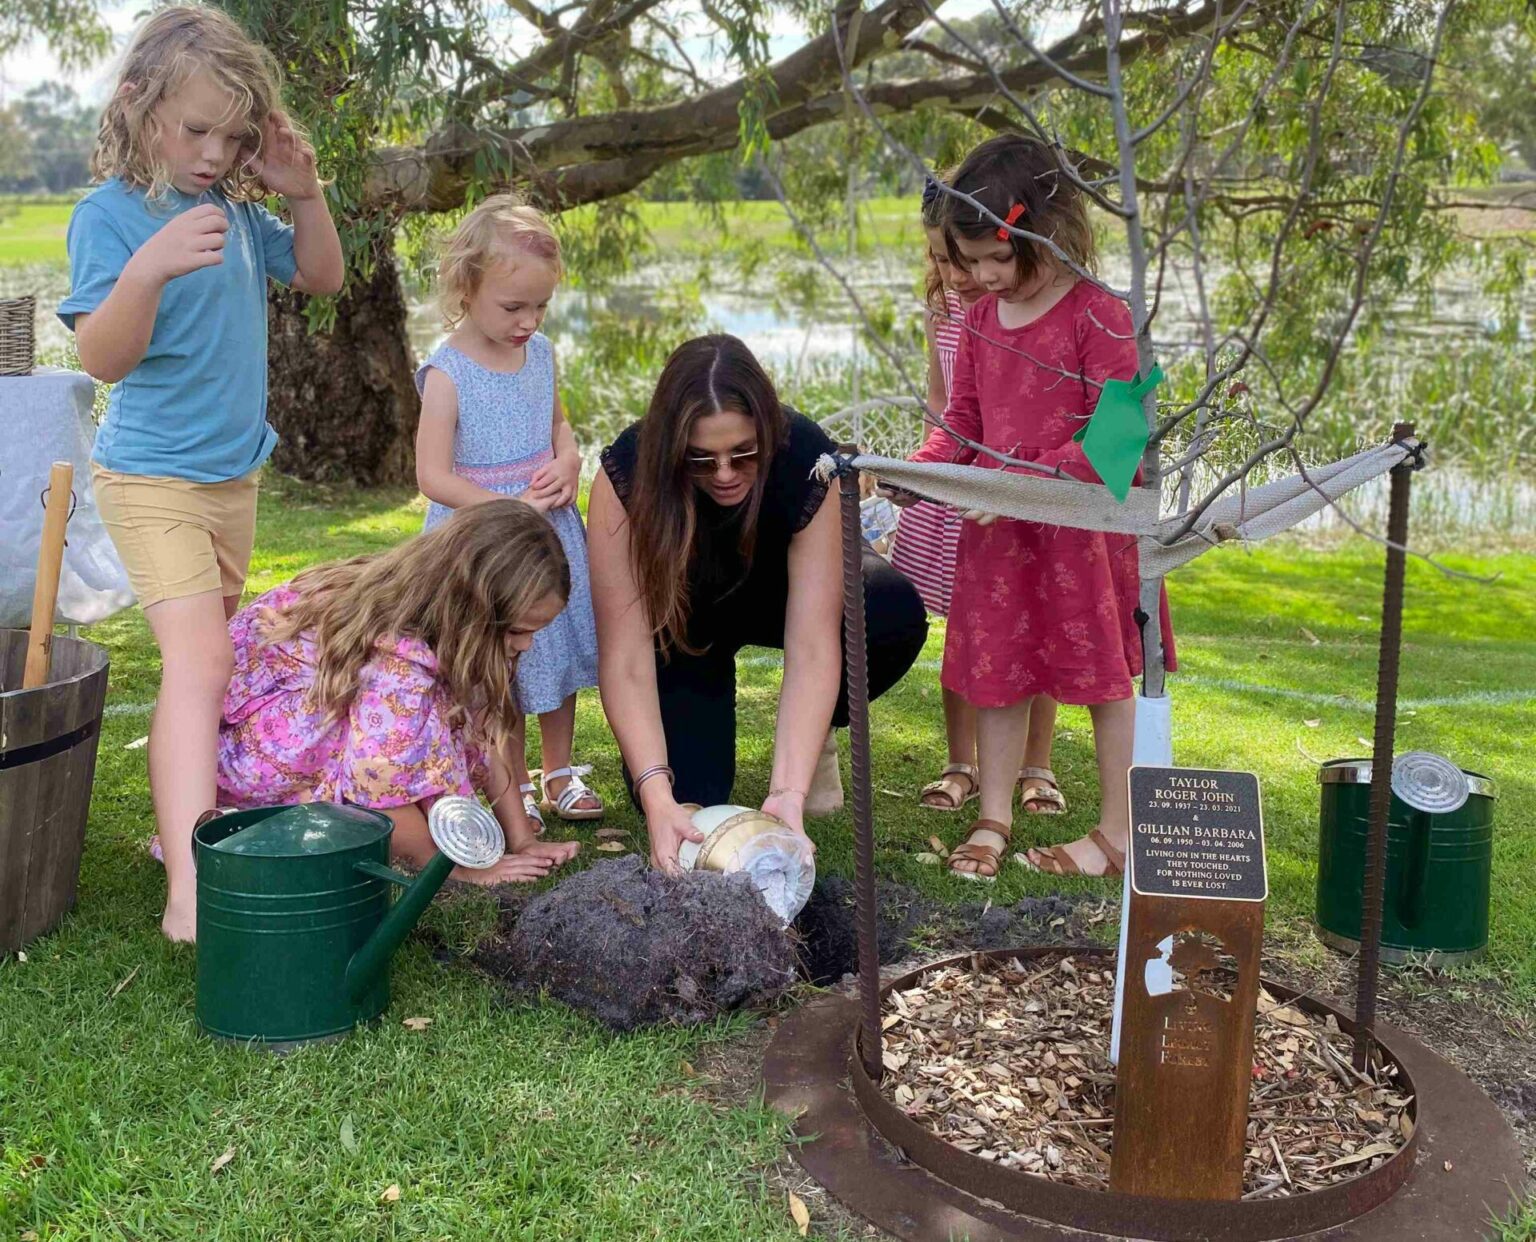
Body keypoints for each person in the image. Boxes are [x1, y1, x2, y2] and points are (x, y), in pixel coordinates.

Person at [58, 5, 344, 940]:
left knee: (207, 669)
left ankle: (185, 825)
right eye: (197, 130)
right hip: (150, 480)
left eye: (234, 135)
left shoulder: (228, 207)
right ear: (139, 105)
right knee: (203, 659)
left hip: (232, 479)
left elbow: (322, 277)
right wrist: (144, 272)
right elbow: (102, 358)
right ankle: (191, 886)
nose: (216, 153)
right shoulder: (109, 216)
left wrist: (303, 194)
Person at [904, 134, 1174, 881]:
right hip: (1002, 541)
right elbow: (963, 424)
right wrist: (918, 473)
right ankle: (993, 814)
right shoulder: (985, 320)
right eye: (972, 261)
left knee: (1103, 681)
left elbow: (1121, 439)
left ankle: (1118, 834)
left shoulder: (1102, 314)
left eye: (999, 257)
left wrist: (1024, 482)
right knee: (997, 672)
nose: (985, 277)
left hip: (1084, 538)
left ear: (1047, 232)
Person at [588, 335, 928, 872]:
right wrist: (656, 791)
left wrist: (787, 794)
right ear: (671, 449)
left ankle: (810, 744)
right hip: (685, 626)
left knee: (888, 613)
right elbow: (625, 657)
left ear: (768, 433)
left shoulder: (806, 457)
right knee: (692, 801)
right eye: (700, 460)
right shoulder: (626, 473)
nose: (724, 474)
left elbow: (814, 643)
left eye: (743, 454)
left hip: (782, 594)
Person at [216, 501, 581, 885]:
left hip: (297, 720)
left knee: (436, 730)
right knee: (400, 749)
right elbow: (381, 791)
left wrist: (522, 840)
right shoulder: (397, 669)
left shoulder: (436, 615)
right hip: (252, 757)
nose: (525, 646)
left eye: (535, 632)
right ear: (472, 609)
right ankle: (299, 817)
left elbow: (481, 735)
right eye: (517, 631)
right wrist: (456, 871)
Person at [415, 194, 602, 831]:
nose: (529, 320)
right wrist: (508, 506)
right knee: (500, 663)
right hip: (484, 547)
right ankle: (511, 780)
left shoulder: (541, 355)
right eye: (513, 307)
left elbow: (560, 426)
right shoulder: (448, 374)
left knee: (554, 648)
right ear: (466, 288)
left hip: (547, 533)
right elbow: (432, 476)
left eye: (541, 306)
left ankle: (559, 772)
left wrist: (571, 458)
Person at [890, 175, 1067, 820]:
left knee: (1034, 629)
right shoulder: (946, 313)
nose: (958, 272)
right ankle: (960, 761)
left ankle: (1036, 764)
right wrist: (927, 471)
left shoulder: (1032, 309)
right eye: (942, 259)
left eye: (961, 257)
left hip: (1027, 489)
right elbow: (948, 409)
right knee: (968, 635)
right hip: (963, 485)